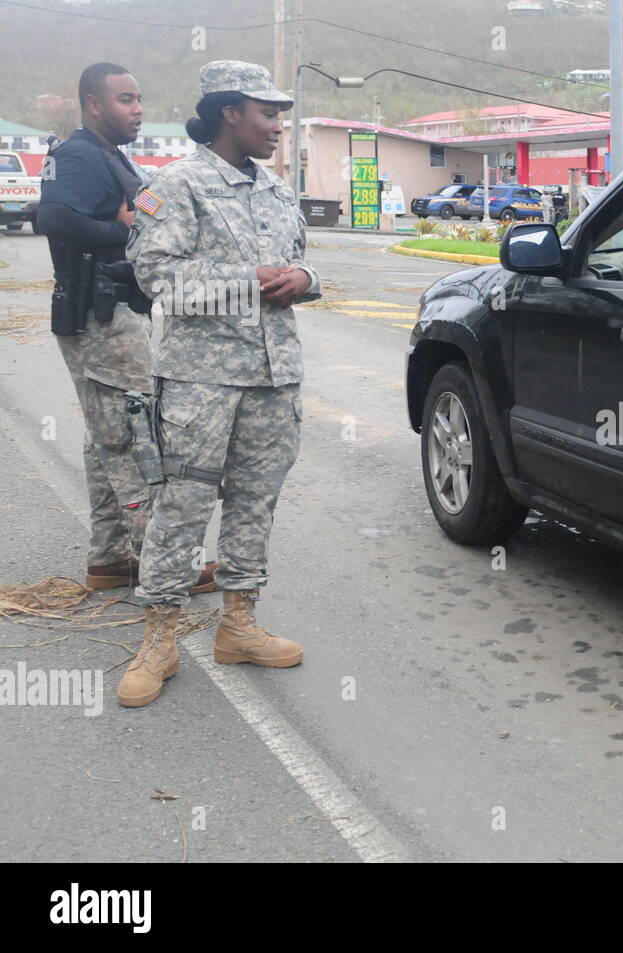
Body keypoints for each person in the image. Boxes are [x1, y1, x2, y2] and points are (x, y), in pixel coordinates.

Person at [118, 60, 320, 707]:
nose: (276, 129)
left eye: (280, 118)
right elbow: (156, 278)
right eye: (267, 115)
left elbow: (302, 259)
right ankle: (159, 638)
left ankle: (238, 623)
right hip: (200, 382)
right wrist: (250, 282)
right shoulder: (176, 186)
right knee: (181, 508)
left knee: (255, 502)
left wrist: (304, 281)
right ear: (230, 112)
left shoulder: (277, 188)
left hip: (273, 377)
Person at [38, 63, 217, 596]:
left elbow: (142, 211)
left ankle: (111, 558)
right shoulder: (76, 154)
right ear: (94, 105)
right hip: (101, 316)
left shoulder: (111, 157)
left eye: (139, 99)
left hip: (119, 312)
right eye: (125, 100)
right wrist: (115, 228)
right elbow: (53, 219)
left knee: (106, 439)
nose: (137, 109)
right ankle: (166, 565)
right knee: (133, 438)